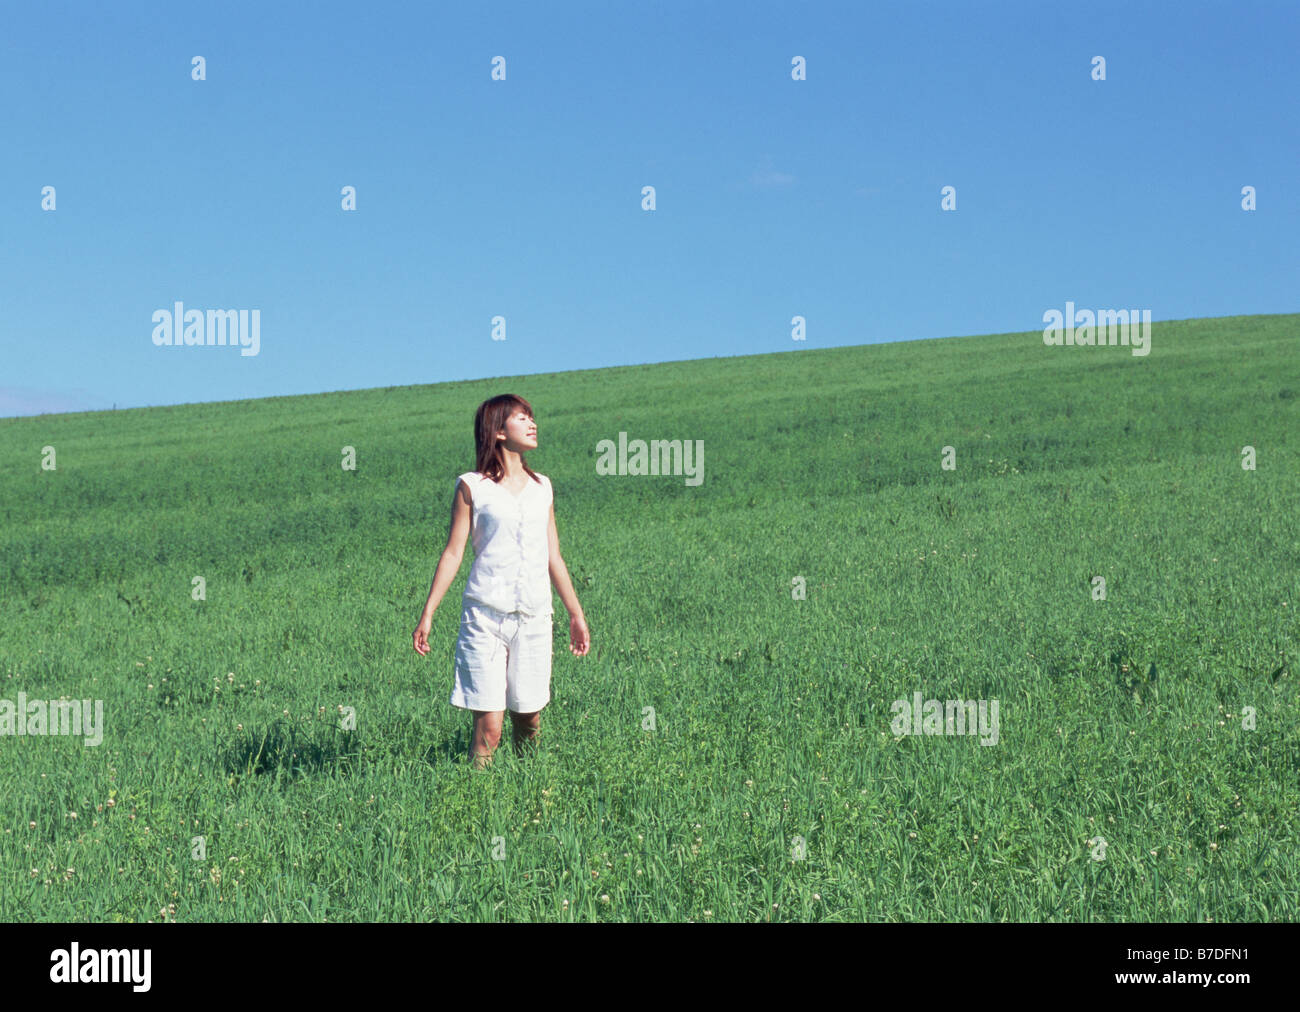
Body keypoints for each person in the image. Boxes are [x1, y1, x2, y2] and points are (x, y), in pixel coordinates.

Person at [412, 394, 590, 769]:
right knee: (489, 729)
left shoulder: (543, 487)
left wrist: (575, 613)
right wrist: (428, 612)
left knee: (529, 720)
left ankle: (531, 790)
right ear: (497, 432)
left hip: (534, 617)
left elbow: (553, 556)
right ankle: (477, 805)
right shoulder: (472, 487)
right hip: (484, 617)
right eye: (522, 418)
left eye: (532, 417)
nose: (532, 423)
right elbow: (453, 553)